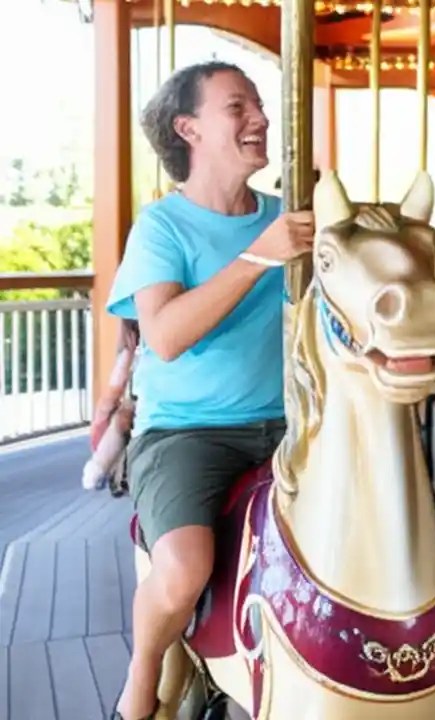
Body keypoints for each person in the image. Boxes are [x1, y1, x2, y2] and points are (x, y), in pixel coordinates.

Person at [106, 61, 314, 720]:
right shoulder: (162, 227)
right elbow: (164, 335)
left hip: (291, 425)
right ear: (188, 128)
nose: (259, 118)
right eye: (238, 106)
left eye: (259, 104)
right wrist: (259, 257)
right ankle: (143, 674)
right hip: (187, 432)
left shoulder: (289, 220)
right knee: (185, 568)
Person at [84, 320, 141, 492]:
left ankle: (109, 467)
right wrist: (127, 356)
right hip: (134, 404)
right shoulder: (134, 351)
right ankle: (103, 465)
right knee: (119, 415)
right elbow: (114, 390)